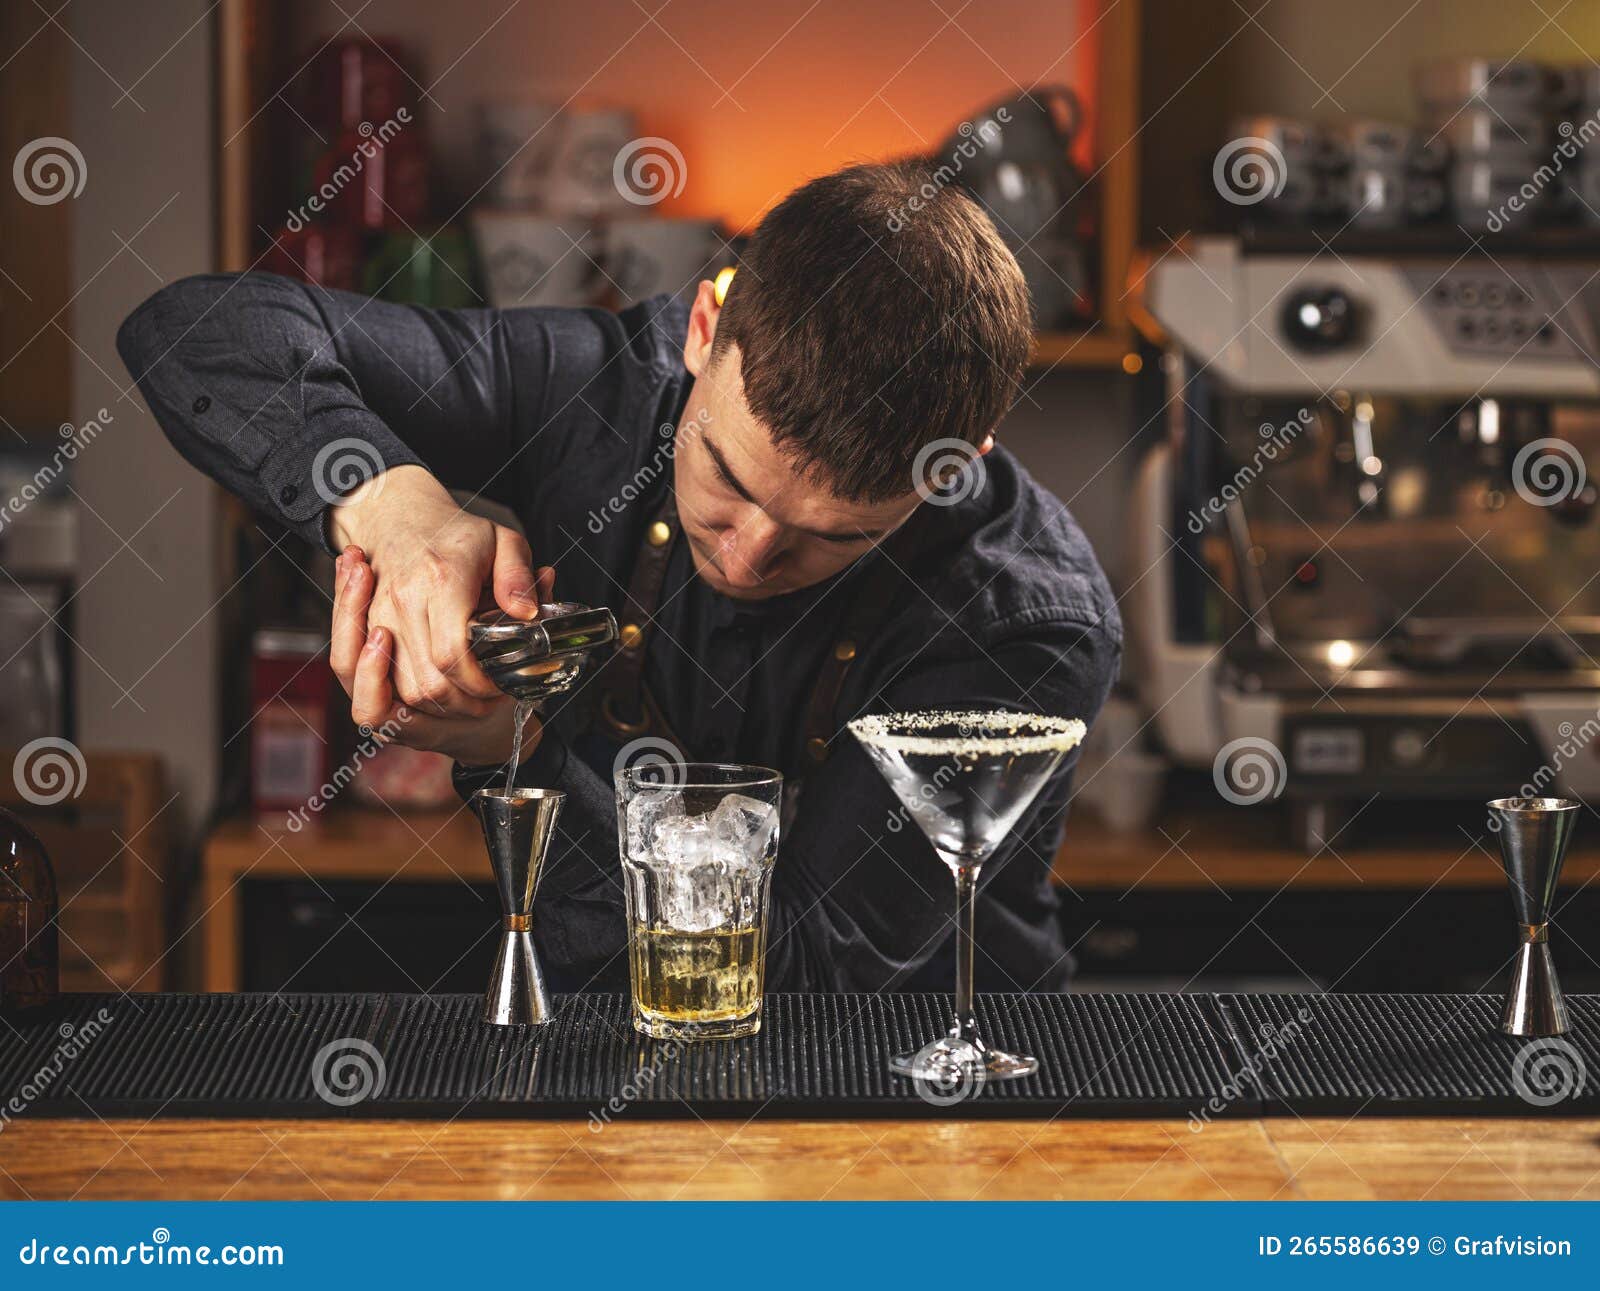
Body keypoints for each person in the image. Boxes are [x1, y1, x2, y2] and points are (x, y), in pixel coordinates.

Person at [117, 159, 1120, 994]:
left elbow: (808, 974)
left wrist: (517, 753)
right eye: (726, 477)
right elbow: (199, 331)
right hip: (603, 1054)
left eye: (833, 537)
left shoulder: (1025, 615)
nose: (745, 556)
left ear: (955, 468)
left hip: (917, 1100)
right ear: (703, 328)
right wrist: (393, 508)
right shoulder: (600, 390)